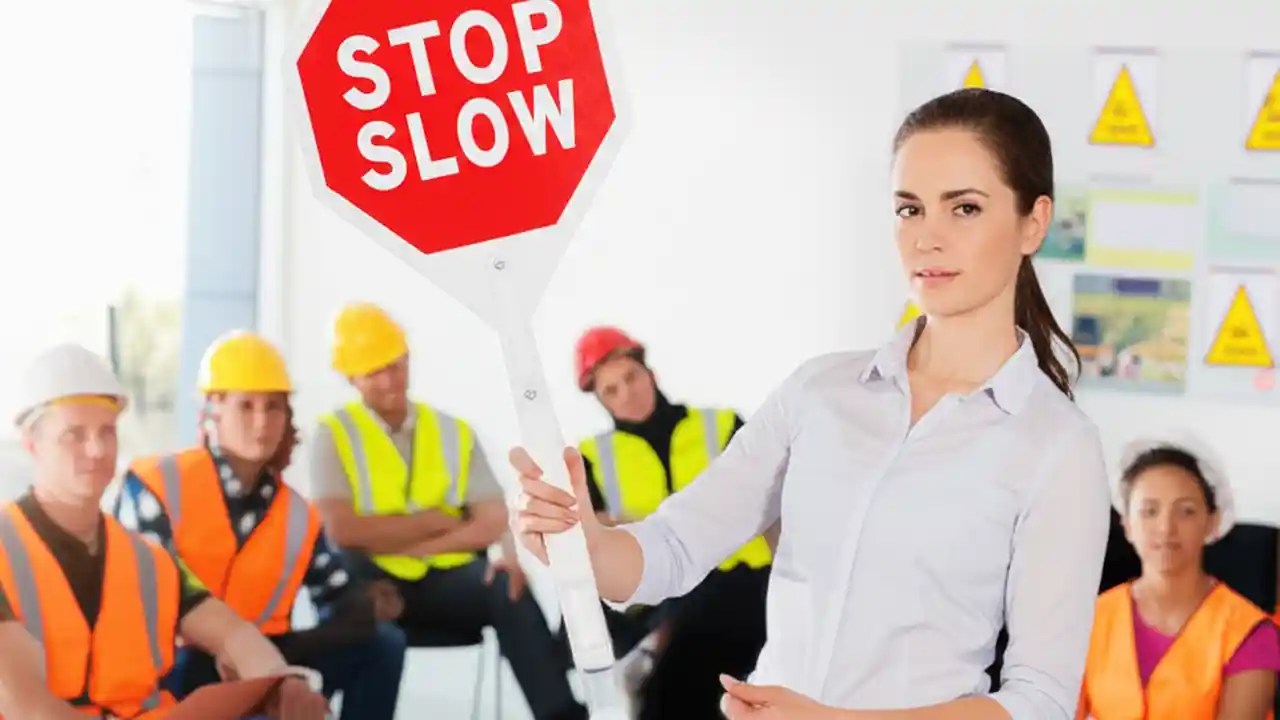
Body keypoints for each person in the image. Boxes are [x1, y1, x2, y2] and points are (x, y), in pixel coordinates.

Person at [509, 87, 1112, 719]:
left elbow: (1039, 700)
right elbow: (674, 550)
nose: (926, 238)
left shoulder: (1056, 445)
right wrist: (583, 542)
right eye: (909, 209)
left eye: (963, 208)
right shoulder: (820, 392)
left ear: (1032, 222)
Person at [0, 343, 328, 719]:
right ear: (32, 446)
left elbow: (233, 634)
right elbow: (25, 705)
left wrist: (282, 681)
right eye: (74, 434)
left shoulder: (149, 561)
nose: (96, 450)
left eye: (106, 432)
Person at [309, 302, 587, 720]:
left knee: (507, 586)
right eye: (374, 372)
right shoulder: (332, 434)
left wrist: (418, 546)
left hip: (447, 581)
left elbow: (492, 521)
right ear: (351, 377)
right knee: (353, 587)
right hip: (371, 586)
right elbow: (342, 529)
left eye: (396, 365)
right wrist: (431, 521)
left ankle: (563, 715)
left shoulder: (452, 431)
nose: (390, 380)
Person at [114, 330, 406, 720]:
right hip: (178, 667)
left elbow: (338, 598)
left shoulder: (298, 513)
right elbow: (154, 599)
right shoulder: (156, 484)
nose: (261, 422)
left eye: (273, 407)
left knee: (383, 644)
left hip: (265, 657)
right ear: (212, 411)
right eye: (245, 406)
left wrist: (288, 668)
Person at [573, 325, 772, 718]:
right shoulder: (591, 457)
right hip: (655, 595)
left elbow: (770, 499)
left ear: (650, 372)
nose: (627, 393)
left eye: (630, 377)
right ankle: (651, 656)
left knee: (705, 622)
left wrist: (628, 521)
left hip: (744, 581)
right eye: (611, 390)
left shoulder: (721, 424)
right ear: (599, 400)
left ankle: (649, 658)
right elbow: (590, 535)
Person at [1077, 432, 1280, 720]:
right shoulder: (1090, 620)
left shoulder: (1249, 633)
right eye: (1149, 511)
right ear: (1127, 524)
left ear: (1212, 521)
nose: (1165, 528)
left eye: (1185, 511)